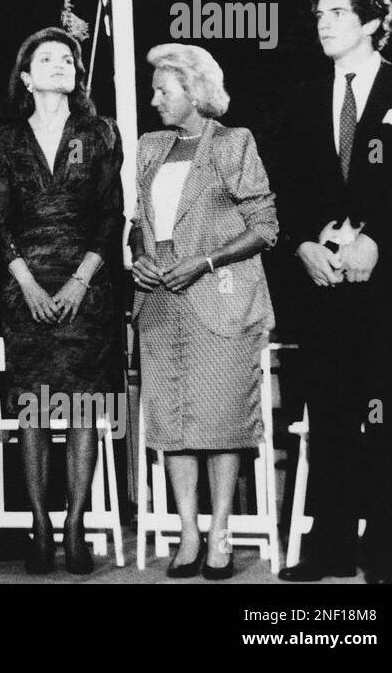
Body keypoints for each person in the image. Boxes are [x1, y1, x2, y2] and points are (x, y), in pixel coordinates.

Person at [274, 0, 392, 584]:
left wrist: (379, 242)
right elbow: (284, 190)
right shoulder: (300, 99)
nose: (324, 24)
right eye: (318, 15)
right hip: (322, 290)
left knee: (388, 420)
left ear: (370, 22)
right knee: (331, 417)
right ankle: (330, 546)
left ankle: (386, 551)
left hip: (390, 288)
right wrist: (305, 246)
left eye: (337, 13)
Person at [0, 27, 124, 575]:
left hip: (89, 289)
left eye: (68, 58)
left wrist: (81, 280)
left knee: (85, 410)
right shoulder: (1, 139)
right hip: (25, 289)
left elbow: (112, 216)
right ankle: (40, 526)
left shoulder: (101, 131)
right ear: (26, 76)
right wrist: (29, 285)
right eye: (47, 58)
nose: (61, 63)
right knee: (35, 410)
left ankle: (76, 524)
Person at [130, 43, 277, 580]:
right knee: (172, 421)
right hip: (161, 302)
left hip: (220, 297)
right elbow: (136, 223)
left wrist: (205, 261)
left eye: (162, 91)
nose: (154, 100)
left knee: (221, 419)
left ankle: (221, 533)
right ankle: (187, 533)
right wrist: (140, 258)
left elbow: (265, 226)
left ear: (193, 91)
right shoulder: (149, 147)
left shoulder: (233, 143)